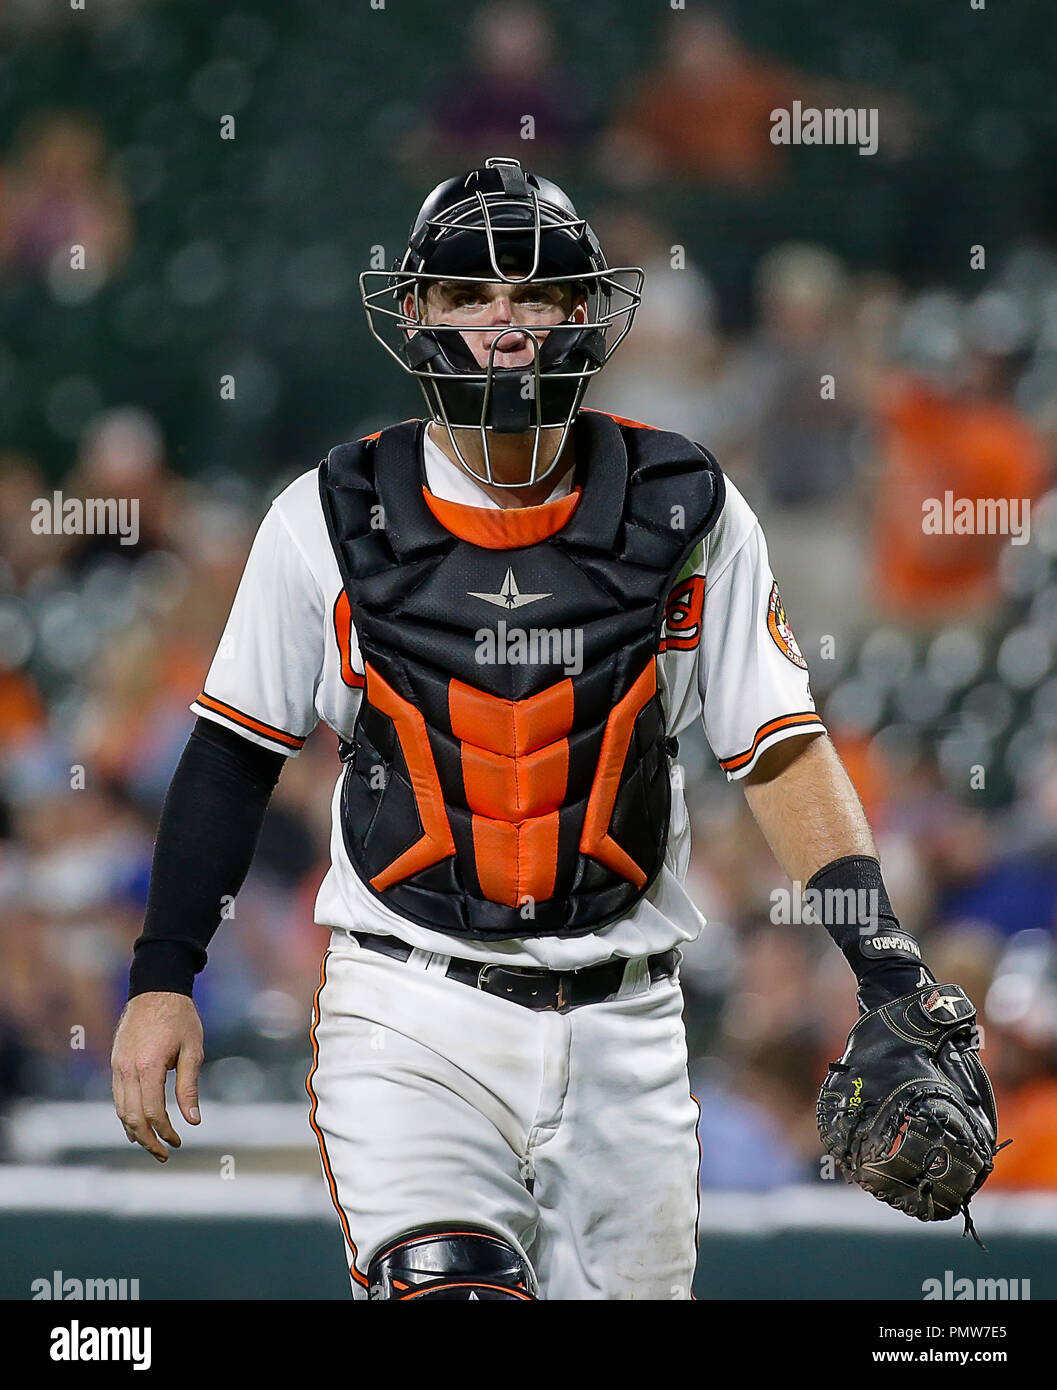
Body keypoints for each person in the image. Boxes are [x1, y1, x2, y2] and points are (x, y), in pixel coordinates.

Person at [111, 157, 982, 1300]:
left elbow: (779, 749)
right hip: (409, 1010)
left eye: (535, 293)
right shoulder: (329, 514)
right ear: (416, 313)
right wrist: (163, 973)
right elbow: (233, 751)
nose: (504, 323)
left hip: (627, 1022)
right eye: (470, 293)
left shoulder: (685, 505)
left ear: (585, 311)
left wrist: (883, 964)